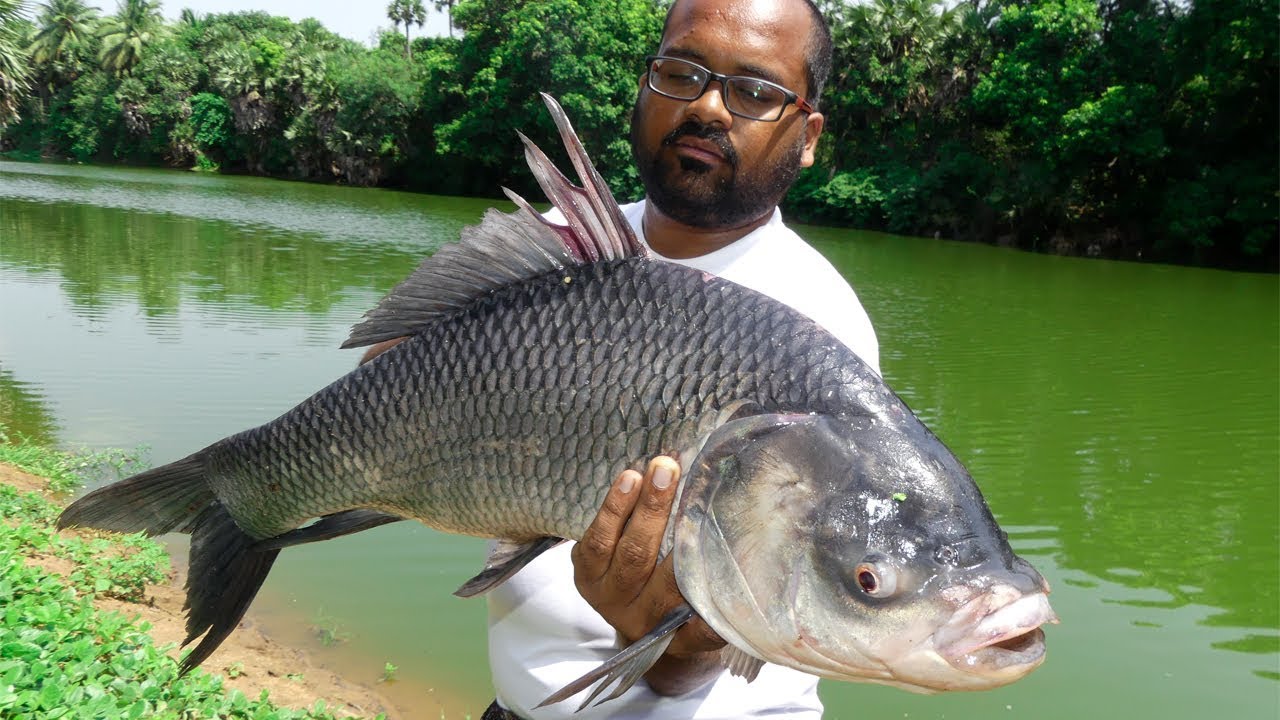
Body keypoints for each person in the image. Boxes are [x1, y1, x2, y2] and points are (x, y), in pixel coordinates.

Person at [363, 0, 879, 716]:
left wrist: (675, 637)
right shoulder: (553, 250)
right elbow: (379, 379)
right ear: (644, 87)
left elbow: (763, 623)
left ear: (809, 134)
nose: (708, 106)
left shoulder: (817, 327)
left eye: (755, 91)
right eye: (681, 72)